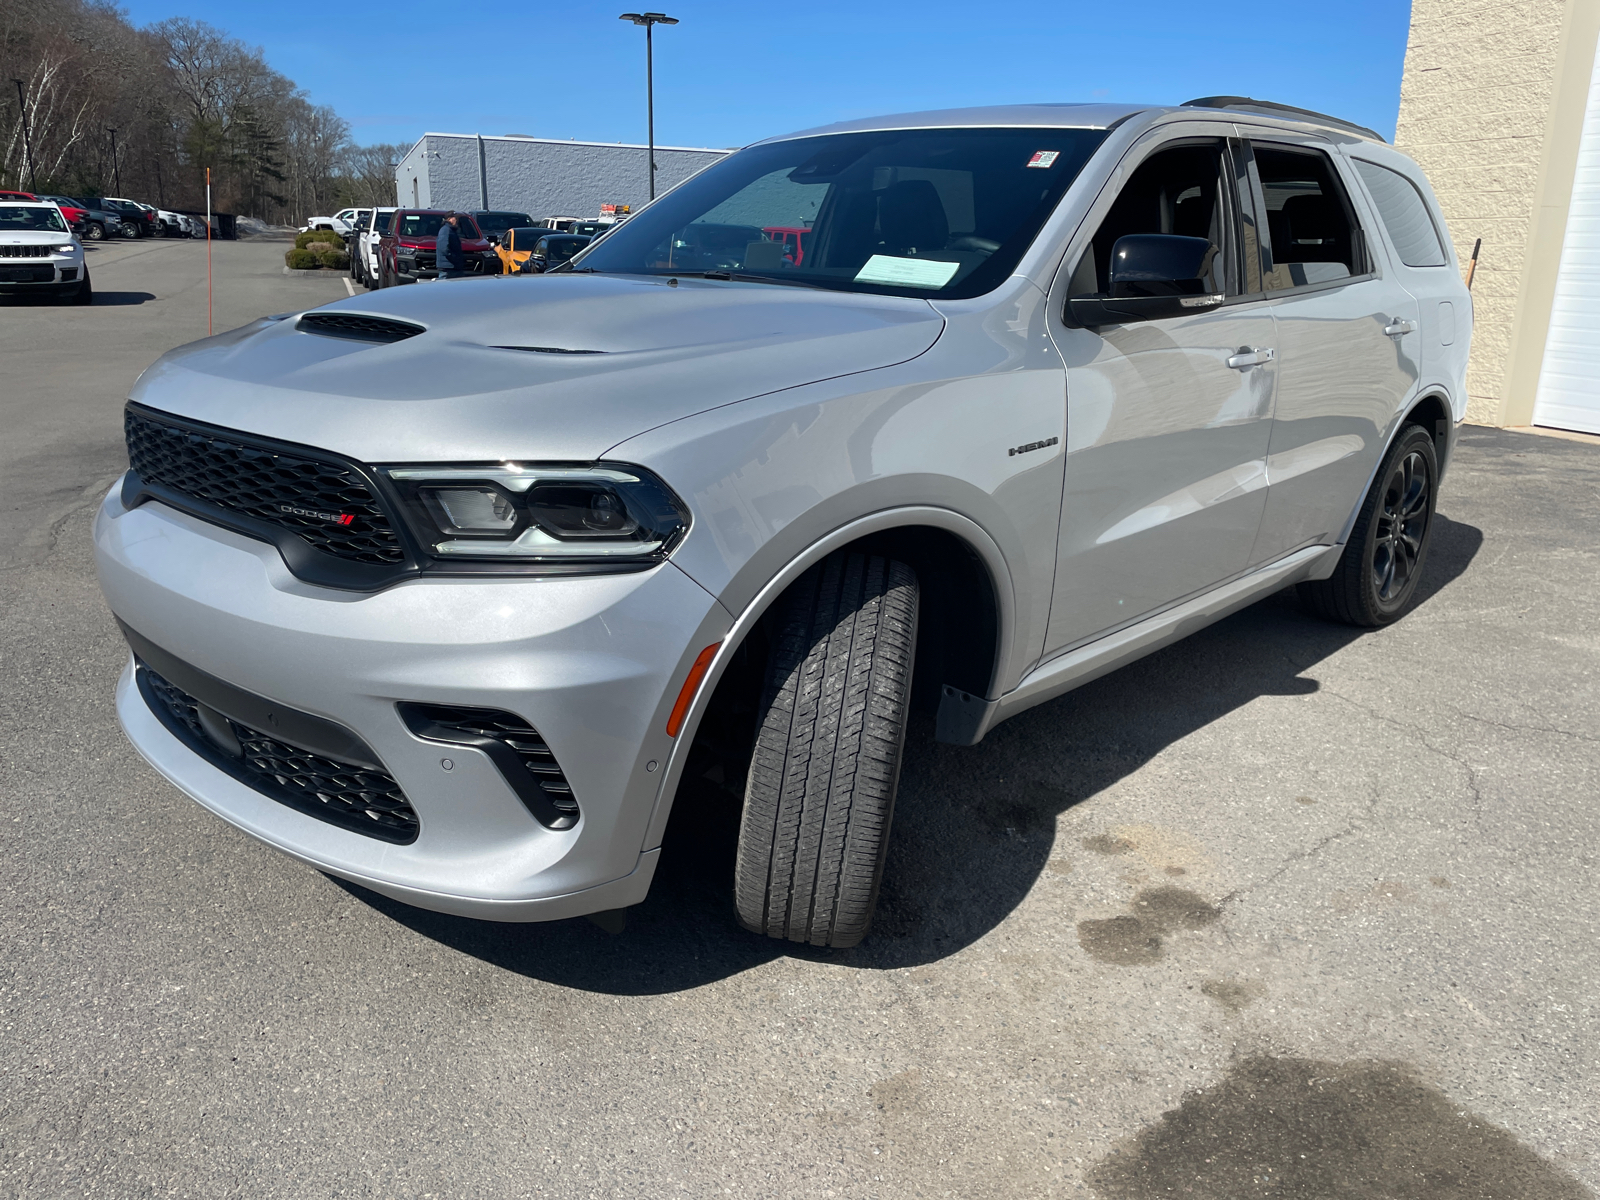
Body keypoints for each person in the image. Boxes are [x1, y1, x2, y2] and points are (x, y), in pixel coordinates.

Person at [435, 212, 466, 280]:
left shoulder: (451, 231)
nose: (457, 220)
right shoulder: (445, 230)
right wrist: (454, 258)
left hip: (454, 267)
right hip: (448, 268)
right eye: (455, 218)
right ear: (449, 219)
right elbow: (443, 248)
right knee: (444, 288)